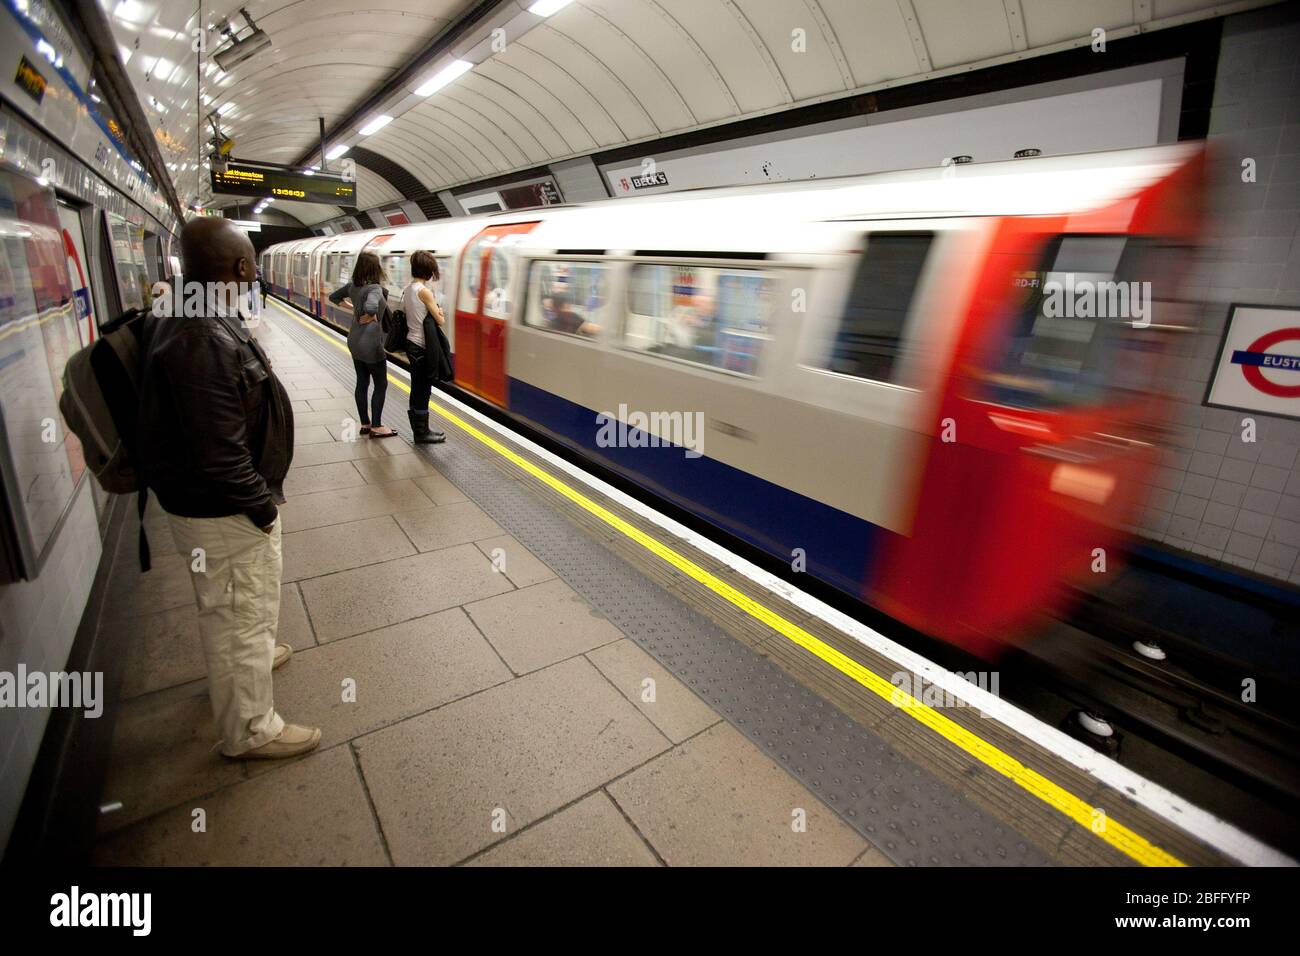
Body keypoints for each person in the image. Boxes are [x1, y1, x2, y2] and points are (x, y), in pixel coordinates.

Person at [137, 217, 320, 760]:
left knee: (233, 609)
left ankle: (253, 661)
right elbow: (217, 452)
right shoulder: (201, 334)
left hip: (204, 506)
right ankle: (250, 730)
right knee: (239, 612)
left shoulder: (189, 311)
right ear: (241, 266)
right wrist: (260, 507)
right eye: (253, 262)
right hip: (223, 511)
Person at [328, 252, 397, 438]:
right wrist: (369, 316)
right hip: (370, 343)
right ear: (376, 268)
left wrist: (352, 310)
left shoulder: (353, 286)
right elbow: (372, 307)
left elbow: (333, 297)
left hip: (354, 340)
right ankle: (376, 426)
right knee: (381, 384)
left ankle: (365, 424)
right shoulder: (374, 288)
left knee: (362, 382)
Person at [400, 250, 447, 444]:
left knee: (417, 387)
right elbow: (440, 321)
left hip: (411, 343)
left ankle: (421, 430)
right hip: (421, 346)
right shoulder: (424, 291)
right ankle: (421, 433)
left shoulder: (408, 289)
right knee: (423, 389)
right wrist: (440, 311)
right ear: (428, 271)